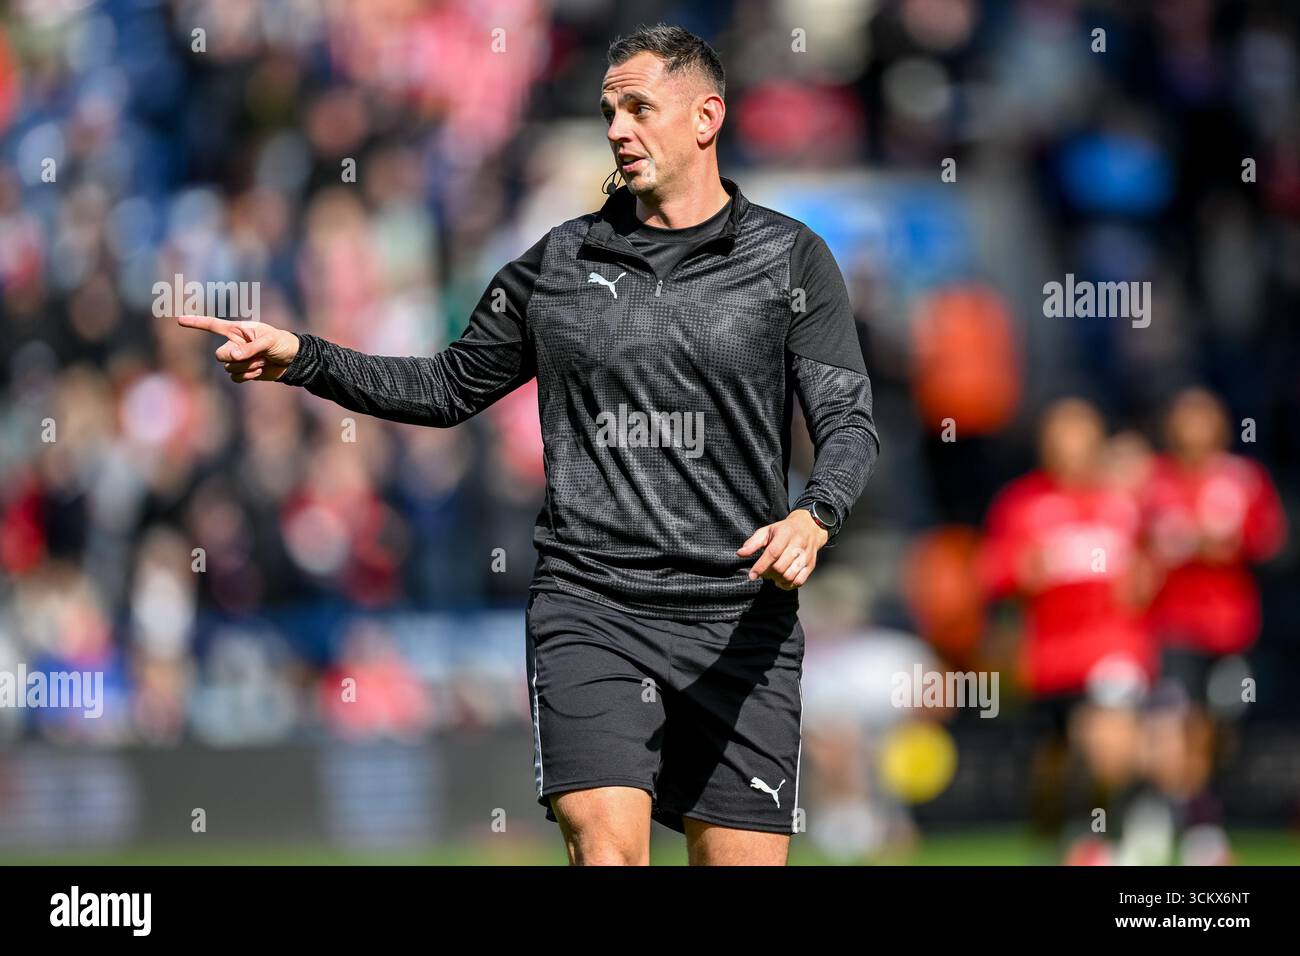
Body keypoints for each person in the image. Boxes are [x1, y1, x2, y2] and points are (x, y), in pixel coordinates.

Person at [176, 24, 880, 865]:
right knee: (607, 850)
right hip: (595, 605)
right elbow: (445, 389)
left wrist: (814, 516)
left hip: (741, 620)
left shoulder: (790, 259)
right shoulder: (559, 264)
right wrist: (305, 357)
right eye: (609, 111)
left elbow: (848, 421)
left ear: (706, 117)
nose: (618, 129)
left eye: (640, 108)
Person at [979, 398, 1154, 847]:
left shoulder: (1125, 501)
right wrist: (1024, 571)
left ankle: (1107, 837)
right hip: (1051, 659)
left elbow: (1153, 559)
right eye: (1060, 436)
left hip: (1113, 647)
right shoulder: (1021, 504)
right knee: (1054, 771)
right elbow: (992, 576)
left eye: (1079, 435)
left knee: (1109, 748)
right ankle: (1069, 825)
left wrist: (1144, 578)